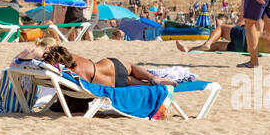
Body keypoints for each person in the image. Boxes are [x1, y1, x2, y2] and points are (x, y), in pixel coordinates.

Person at [40, 45, 173, 87]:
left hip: (112, 82)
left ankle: (149, 84)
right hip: (110, 65)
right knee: (131, 67)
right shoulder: (73, 56)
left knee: (136, 83)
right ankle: (153, 77)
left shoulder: (69, 74)